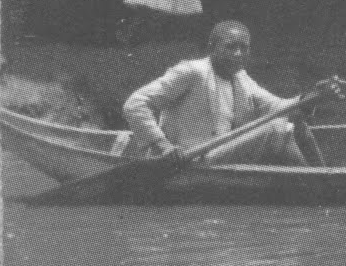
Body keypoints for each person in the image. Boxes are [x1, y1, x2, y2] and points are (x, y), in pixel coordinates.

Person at [122, 20, 326, 166]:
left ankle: (324, 176)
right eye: (231, 47)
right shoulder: (192, 72)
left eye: (244, 48)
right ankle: (318, 187)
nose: (238, 54)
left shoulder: (241, 78)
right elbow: (135, 103)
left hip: (220, 155)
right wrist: (163, 146)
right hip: (190, 159)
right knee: (276, 130)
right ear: (212, 48)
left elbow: (277, 107)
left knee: (297, 124)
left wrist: (313, 96)